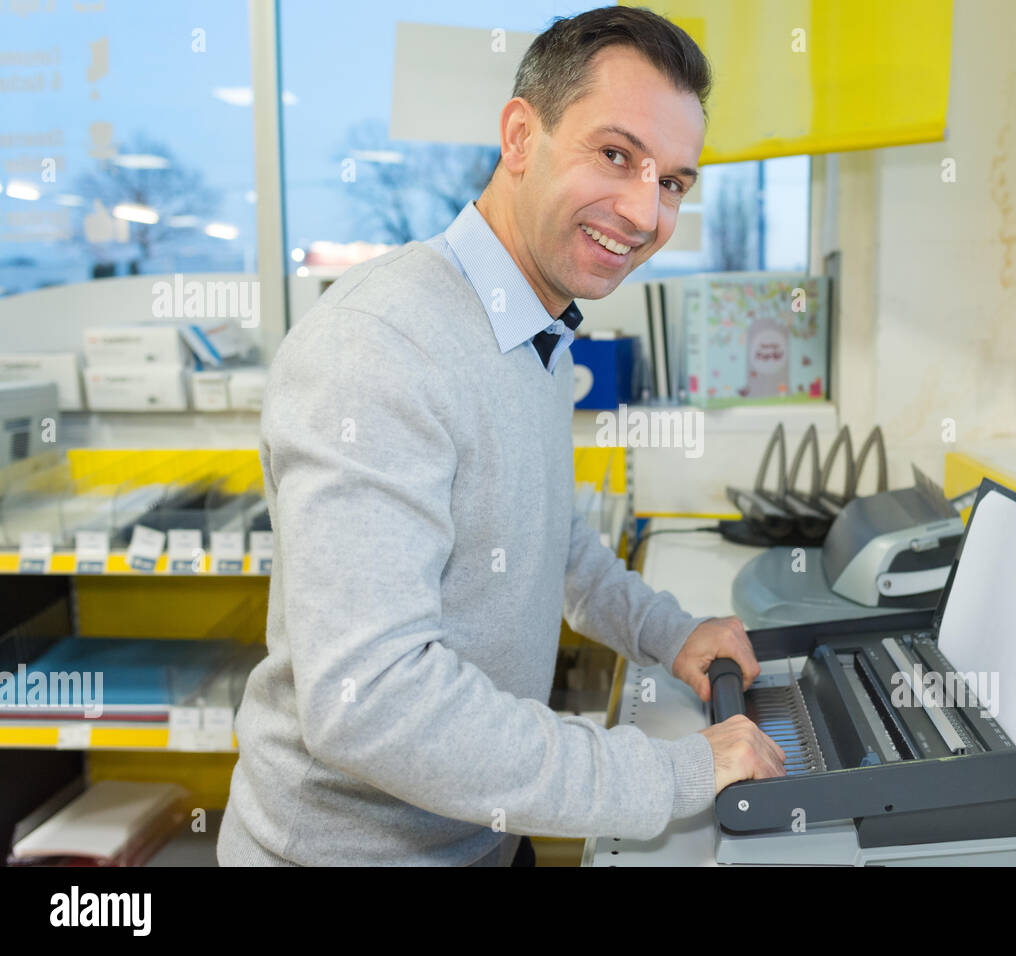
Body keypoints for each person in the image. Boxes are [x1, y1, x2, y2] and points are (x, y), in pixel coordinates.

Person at [218, 5, 785, 867]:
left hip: (478, 828)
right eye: (615, 154)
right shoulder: (381, 344)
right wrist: (664, 774)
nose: (643, 210)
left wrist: (668, 633)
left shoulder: (538, 327)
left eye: (672, 181)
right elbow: (368, 698)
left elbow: (545, 536)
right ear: (521, 136)